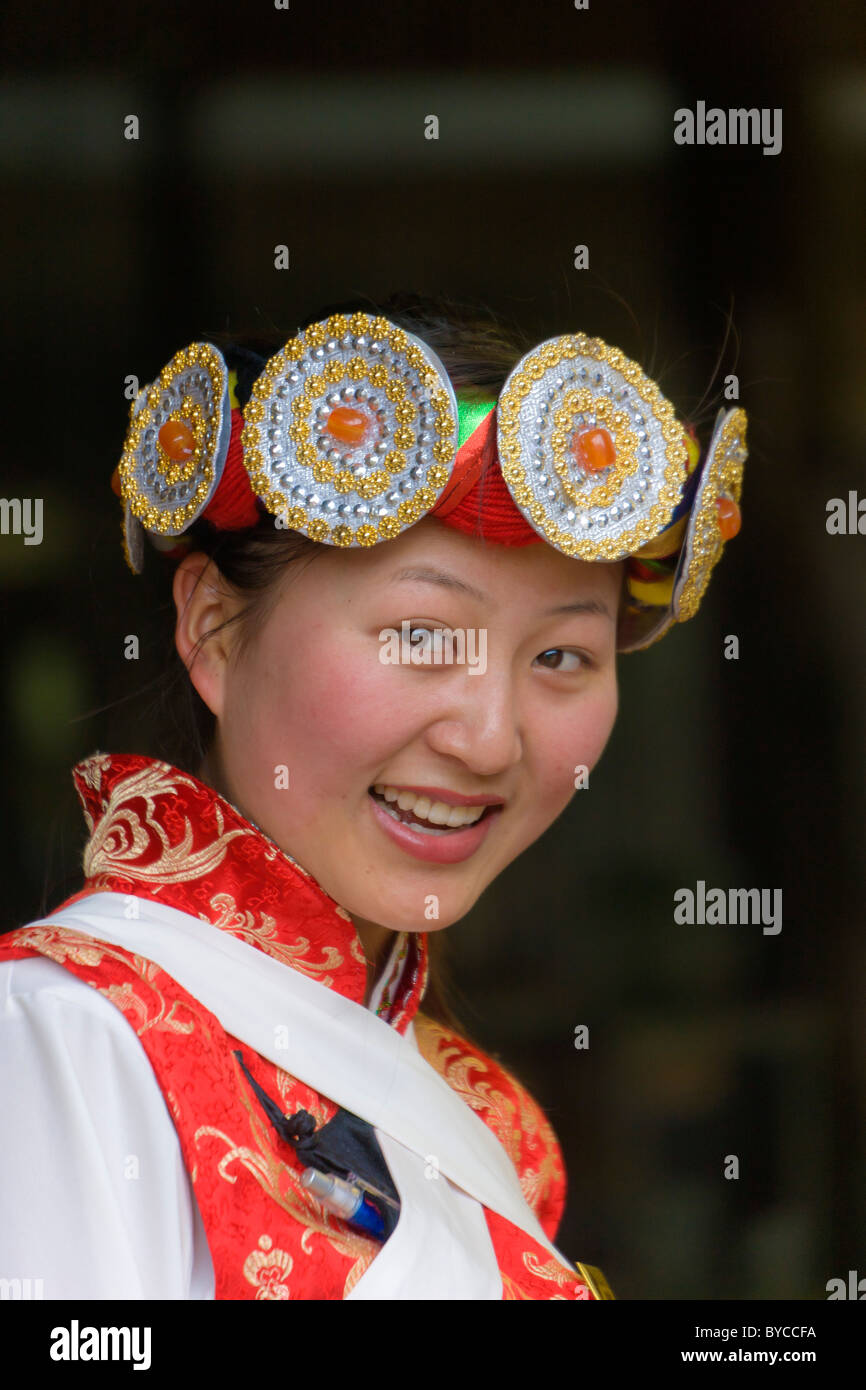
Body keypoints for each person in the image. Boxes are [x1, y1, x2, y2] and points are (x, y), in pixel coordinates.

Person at [0, 293, 747, 1300]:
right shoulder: (64, 1039)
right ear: (215, 631)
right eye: (421, 634)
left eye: (562, 654)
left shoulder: (485, 1119)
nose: (489, 737)